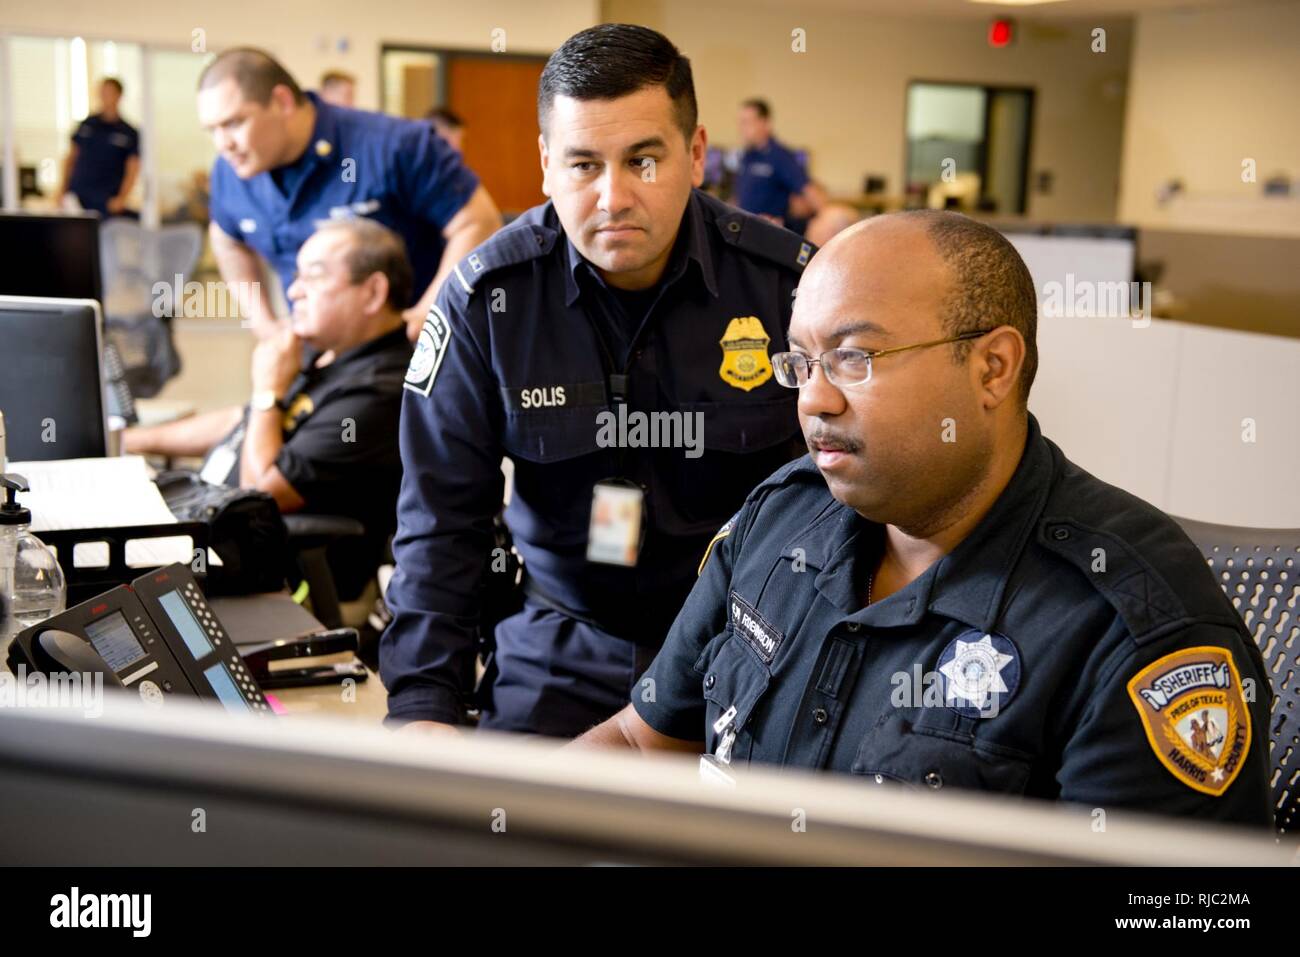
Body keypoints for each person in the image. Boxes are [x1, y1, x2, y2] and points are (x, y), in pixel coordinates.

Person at [575, 210, 1274, 828]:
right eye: (802, 361)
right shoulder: (781, 518)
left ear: (993, 367)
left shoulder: (1131, 630)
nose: (814, 399)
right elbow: (643, 742)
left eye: (854, 357)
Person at [381, 24, 814, 738]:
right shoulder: (487, 300)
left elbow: (859, 507)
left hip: (747, 646)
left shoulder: (788, 291)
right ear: (547, 164)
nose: (613, 196)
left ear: (697, 154)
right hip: (564, 641)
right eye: (584, 165)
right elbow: (438, 522)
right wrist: (423, 705)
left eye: (643, 160)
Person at [123, 218, 414, 596]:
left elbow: (261, 490)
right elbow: (241, 422)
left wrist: (267, 391)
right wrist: (133, 440)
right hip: (209, 532)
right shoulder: (325, 356)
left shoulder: (382, 390)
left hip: (278, 577)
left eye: (315, 277)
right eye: (296, 277)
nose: (294, 291)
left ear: (373, 292)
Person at [197, 48, 500, 340]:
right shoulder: (231, 172)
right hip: (317, 357)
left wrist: (431, 313)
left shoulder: (394, 145)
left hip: (409, 352)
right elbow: (227, 241)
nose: (223, 144)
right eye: (212, 130)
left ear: (282, 101)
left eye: (234, 123)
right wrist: (264, 325)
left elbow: (479, 222)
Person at [732, 98, 825, 227]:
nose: (742, 129)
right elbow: (740, 197)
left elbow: (809, 190)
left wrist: (828, 218)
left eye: (747, 122)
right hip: (744, 228)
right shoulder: (747, 156)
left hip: (768, 233)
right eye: (740, 123)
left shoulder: (780, 156)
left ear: (765, 123)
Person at [55, 77, 140, 217]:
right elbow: (71, 157)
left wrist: (122, 198)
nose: (105, 97)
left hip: (105, 199)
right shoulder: (87, 124)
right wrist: (61, 189)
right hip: (77, 196)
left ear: (119, 96)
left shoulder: (129, 132)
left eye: (109, 92)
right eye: (102, 92)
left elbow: (133, 168)